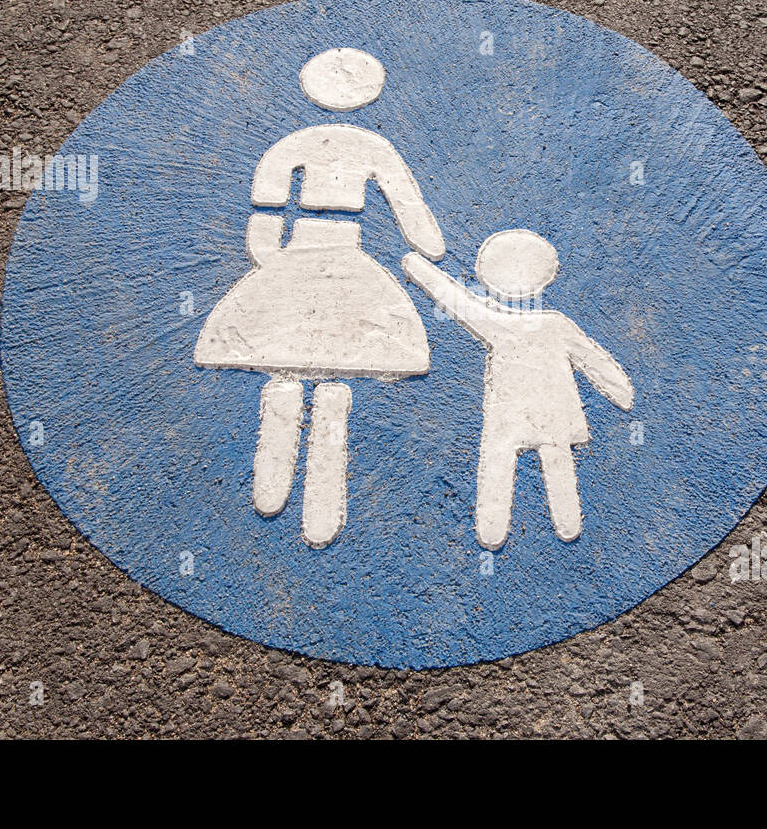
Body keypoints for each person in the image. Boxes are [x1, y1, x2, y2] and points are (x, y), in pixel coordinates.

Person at [195, 48, 445, 548]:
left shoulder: (296, 143)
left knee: (284, 370)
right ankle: (318, 501)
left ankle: (276, 482)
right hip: (343, 257)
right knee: (335, 380)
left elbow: (266, 206)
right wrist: (427, 247)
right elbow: (410, 210)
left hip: (303, 253)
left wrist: (270, 261)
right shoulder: (371, 146)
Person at [403, 229, 634, 550]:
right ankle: (566, 520)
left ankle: (493, 529)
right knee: (557, 462)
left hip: (508, 415)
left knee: (498, 463)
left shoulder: (498, 324)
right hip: (555, 413)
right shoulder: (555, 323)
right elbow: (592, 359)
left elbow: (454, 298)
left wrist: (416, 265)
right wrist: (621, 392)